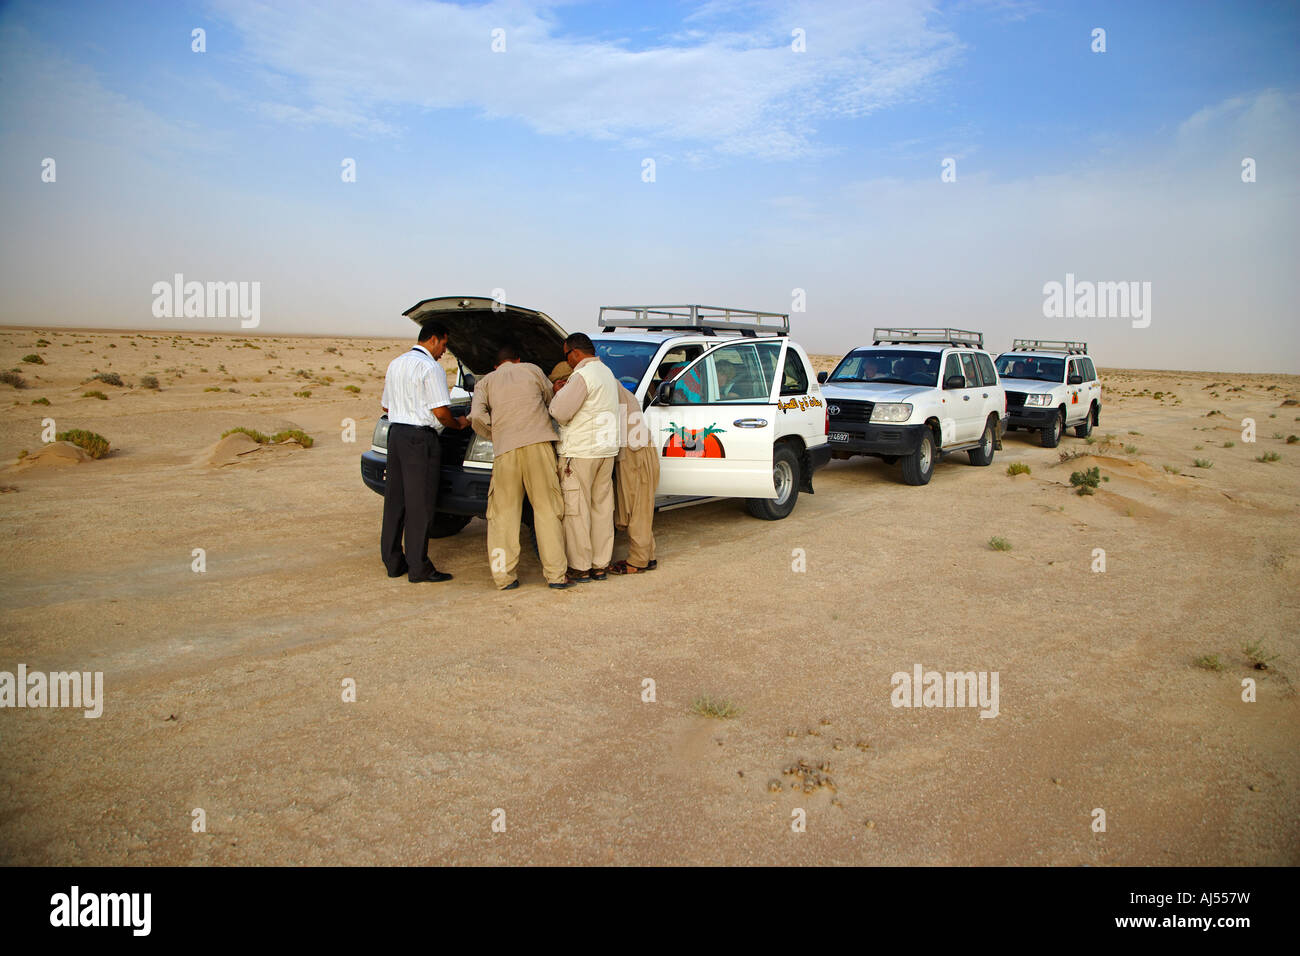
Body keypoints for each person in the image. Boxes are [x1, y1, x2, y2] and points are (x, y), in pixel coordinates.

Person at [469, 343, 574, 591]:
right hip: (539, 445)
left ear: (496, 366)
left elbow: (475, 417)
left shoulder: (485, 382)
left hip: (506, 451)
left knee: (502, 515)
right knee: (548, 510)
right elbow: (552, 403)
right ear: (518, 360)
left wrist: (497, 433)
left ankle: (504, 578)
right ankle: (556, 576)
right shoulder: (532, 370)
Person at [380, 320, 470, 583]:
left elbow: (386, 406)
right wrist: (459, 423)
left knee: (395, 501)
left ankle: (393, 562)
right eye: (444, 344)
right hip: (420, 440)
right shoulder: (431, 367)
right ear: (434, 339)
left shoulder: (396, 363)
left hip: (396, 435)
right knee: (420, 505)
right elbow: (442, 412)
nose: (444, 351)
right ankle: (419, 568)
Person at [548, 333, 619, 582]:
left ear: (575, 353)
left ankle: (580, 566)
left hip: (580, 452)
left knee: (576, 510)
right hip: (605, 451)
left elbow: (559, 411)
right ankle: (600, 565)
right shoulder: (607, 372)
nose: (567, 361)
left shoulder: (582, 375)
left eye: (566, 355)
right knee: (601, 508)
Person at [609, 383, 660, 574]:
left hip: (635, 452)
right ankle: (648, 556)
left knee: (636, 509)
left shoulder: (604, 387)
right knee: (642, 507)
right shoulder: (617, 387)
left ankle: (638, 561)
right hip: (638, 449)